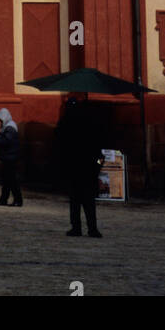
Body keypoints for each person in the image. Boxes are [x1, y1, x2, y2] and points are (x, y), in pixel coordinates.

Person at [58, 97, 104, 237]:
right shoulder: (91, 124)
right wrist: (97, 166)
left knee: (75, 200)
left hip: (75, 167)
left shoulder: (66, 123)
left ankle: (76, 227)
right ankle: (92, 228)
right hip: (88, 168)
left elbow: (61, 147)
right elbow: (98, 148)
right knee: (88, 200)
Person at [0, 107, 23, 207]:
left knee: (12, 180)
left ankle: (18, 200)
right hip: (8, 157)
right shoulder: (6, 127)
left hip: (10, 157)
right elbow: (1, 137)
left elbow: (6, 141)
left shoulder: (10, 127)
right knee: (6, 180)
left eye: (0, 119)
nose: (0, 121)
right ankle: (3, 199)